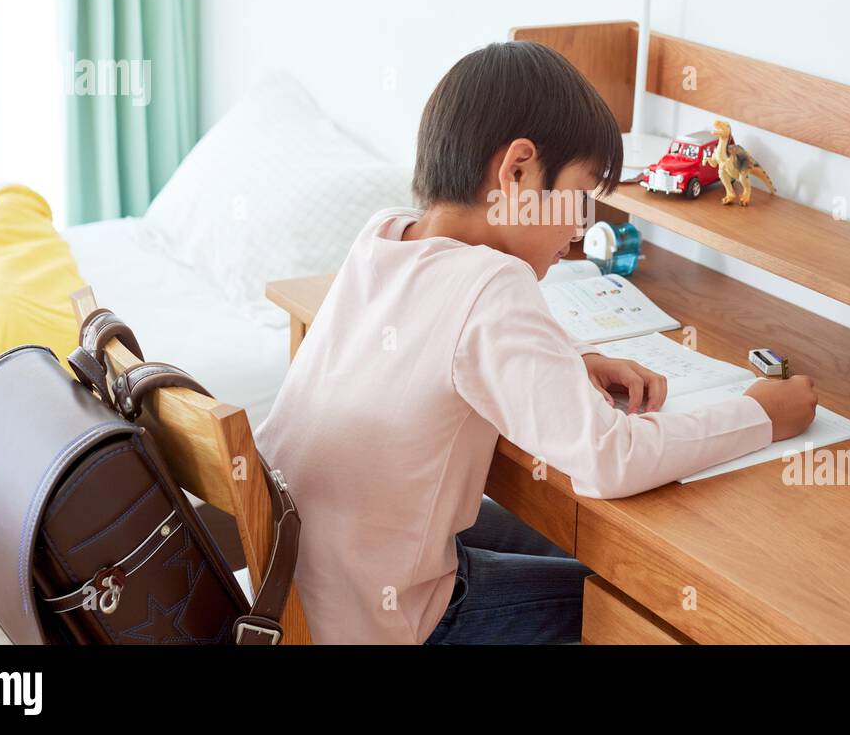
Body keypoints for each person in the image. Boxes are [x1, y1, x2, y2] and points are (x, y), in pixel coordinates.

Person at [254, 40, 818, 644]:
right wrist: (761, 413)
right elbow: (610, 460)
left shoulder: (385, 235)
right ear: (517, 170)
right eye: (579, 199)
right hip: (389, 624)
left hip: (295, 597)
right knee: (628, 606)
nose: (579, 232)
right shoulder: (494, 284)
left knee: (543, 545)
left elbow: (430, 343)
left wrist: (574, 361)